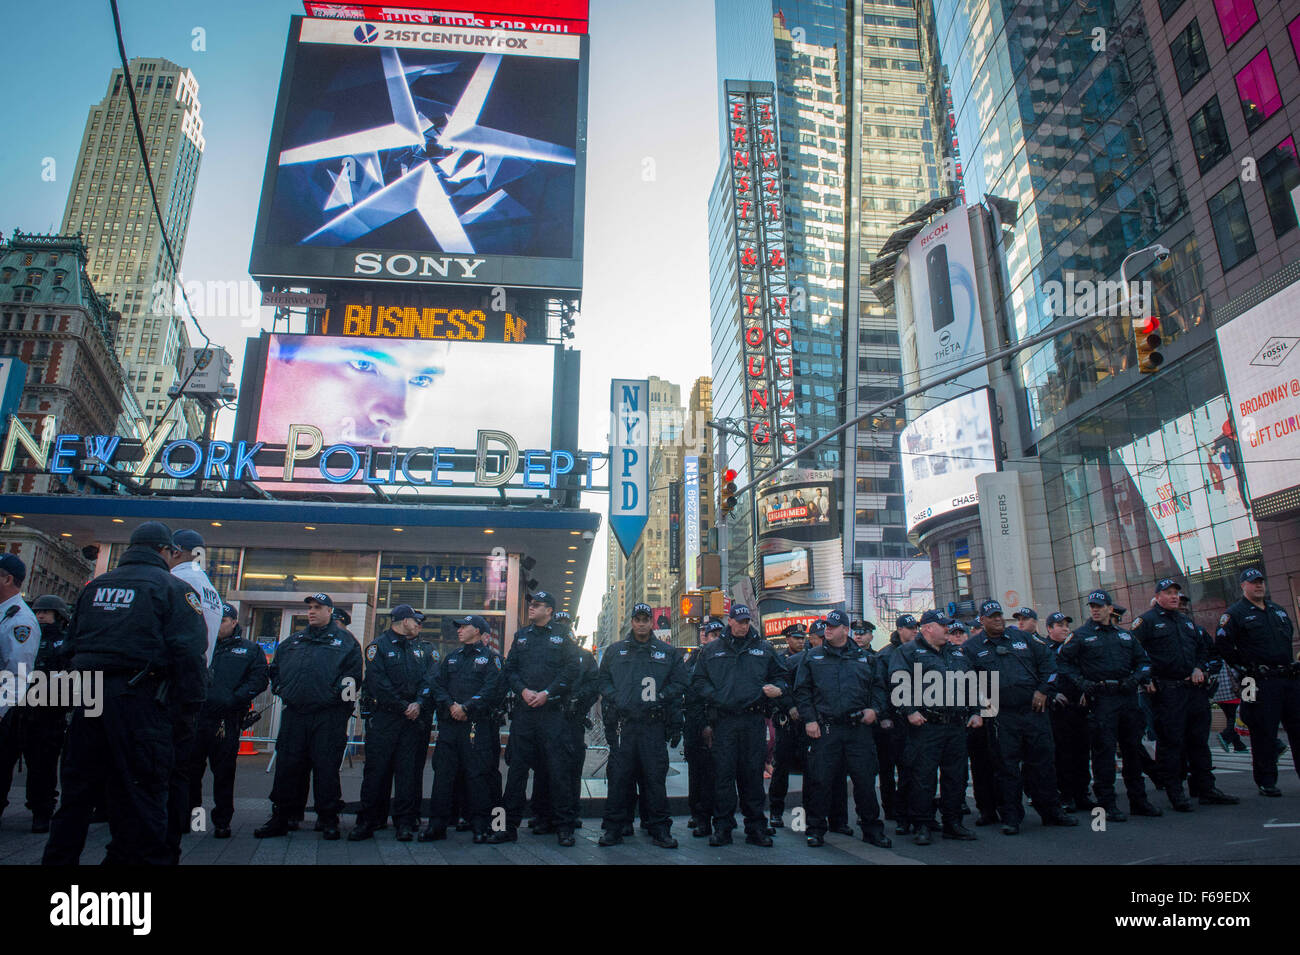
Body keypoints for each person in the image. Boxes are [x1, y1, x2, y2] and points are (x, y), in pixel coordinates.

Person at [42, 523, 208, 865]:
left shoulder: (94, 587)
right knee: (143, 797)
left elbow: (69, 646)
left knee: (75, 799)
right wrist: (187, 713)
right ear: (165, 551)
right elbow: (190, 654)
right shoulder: (173, 589)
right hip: (140, 703)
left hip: (88, 701)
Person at [255, 593, 363, 840]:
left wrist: (337, 709)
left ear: (330, 611)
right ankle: (282, 817)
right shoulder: (294, 641)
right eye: (310, 608)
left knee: (326, 770)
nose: (312, 611)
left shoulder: (346, 643)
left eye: (318, 607)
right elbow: (276, 671)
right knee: (288, 767)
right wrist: (282, 690)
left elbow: (352, 680)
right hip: (295, 715)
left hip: (328, 717)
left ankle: (328, 819)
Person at [964, 600, 1077, 834]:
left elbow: (1049, 664)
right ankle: (1012, 816)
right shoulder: (972, 648)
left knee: (1043, 763)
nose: (997, 619)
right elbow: (969, 683)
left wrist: (1044, 691)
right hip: (1000, 716)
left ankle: (1051, 811)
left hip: (1033, 711)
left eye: (999, 615)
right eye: (991, 616)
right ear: (982, 620)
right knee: (1006, 768)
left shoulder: (1024, 639)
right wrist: (981, 709)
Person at [1132, 579, 1238, 811]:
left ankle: (1205, 788)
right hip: (1167, 692)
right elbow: (1133, 653)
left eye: (1176, 593)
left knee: (1199, 741)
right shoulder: (1146, 622)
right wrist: (1145, 678)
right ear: (1158, 596)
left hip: (1193, 691)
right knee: (1171, 743)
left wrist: (1200, 667)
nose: (1174, 597)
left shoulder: (1187, 623)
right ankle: (1175, 792)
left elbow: (1203, 650)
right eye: (1168, 593)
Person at [1057, 590, 1163, 822]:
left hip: (1126, 696)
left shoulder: (1124, 636)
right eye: (1092, 606)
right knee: (1104, 753)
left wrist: (1136, 679)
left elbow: (1144, 662)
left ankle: (1138, 800)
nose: (1095, 610)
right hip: (1101, 698)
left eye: (1099, 606)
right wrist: (1082, 684)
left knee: (1132, 750)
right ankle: (1107, 803)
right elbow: (1063, 662)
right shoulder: (1081, 636)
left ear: (1109, 609)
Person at [689, 604, 787, 846]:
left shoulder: (764, 649)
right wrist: (716, 696)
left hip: (753, 720)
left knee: (753, 775)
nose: (743, 625)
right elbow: (698, 681)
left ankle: (756, 828)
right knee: (723, 776)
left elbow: (782, 676)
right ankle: (722, 827)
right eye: (739, 621)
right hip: (724, 721)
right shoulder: (712, 650)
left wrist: (778, 689)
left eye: (746, 622)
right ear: (730, 621)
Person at [795, 609, 892, 848]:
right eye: (826, 625)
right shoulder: (812, 657)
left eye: (833, 626)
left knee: (865, 781)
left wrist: (875, 710)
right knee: (820, 781)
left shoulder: (866, 658)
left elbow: (880, 689)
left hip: (858, 729)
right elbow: (802, 691)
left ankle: (871, 829)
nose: (827, 629)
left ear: (845, 630)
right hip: (826, 729)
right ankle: (816, 829)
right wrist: (809, 719)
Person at [491, 592, 581, 846]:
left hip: (552, 714)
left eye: (537, 605)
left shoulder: (563, 636)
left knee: (557, 771)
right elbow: (510, 670)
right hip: (525, 715)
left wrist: (548, 693)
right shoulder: (521, 636)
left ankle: (564, 827)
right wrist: (522, 690)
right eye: (531, 604)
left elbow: (572, 669)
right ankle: (507, 827)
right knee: (517, 772)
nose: (532, 607)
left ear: (549, 610)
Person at [598, 603, 688, 848]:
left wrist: (661, 697)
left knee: (654, 779)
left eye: (645, 619)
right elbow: (602, 679)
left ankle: (660, 828)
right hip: (623, 727)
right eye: (637, 619)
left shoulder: (667, 653)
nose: (641, 623)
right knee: (619, 779)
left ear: (651, 622)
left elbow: (680, 682)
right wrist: (615, 696)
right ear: (631, 622)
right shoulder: (615, 651)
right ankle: (613, 828)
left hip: (652, 726)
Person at [890, 610, 981, 845]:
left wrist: (976, 711)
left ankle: (953, 823)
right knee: (923, 777)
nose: (948, 629)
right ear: (928, 628)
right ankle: (923, 823)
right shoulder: (908, 652)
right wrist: (910, 711)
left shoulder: (956, 652)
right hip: (926, 725)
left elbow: (971, 682)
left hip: (956, 725)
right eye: (944, 625)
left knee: (956, 776)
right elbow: (898, 682)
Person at [351, 605, 435, 842]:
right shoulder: (378, 647)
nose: (418, 623)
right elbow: (378, 683)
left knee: (408, 773)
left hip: (413, 719)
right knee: (376, 771)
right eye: (414, 619)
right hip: (386, 718)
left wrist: (418, 703)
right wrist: (403, 706)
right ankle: (369, 820)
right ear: (403, 620)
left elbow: (430, 678)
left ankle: (405, 822)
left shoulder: (420, 647)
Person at [1215, 567, 1300, 797]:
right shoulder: (1235, 614)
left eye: (1261, 581)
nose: (1259, 585)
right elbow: (1223, 645)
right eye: (1253, 582)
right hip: (1258, 680)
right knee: (1263, 731)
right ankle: (1266, 781)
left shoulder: (1278, 611)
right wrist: (1243, 668)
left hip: (1288, 678)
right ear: (1243, 586)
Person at [421, 614, 505, 842]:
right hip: (450, 725)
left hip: (476, 726)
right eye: (458, 627)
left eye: (464, 626)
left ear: (477, 631)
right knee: (443, 775)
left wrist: (466, 707)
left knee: (476, 776)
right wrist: (451, 706)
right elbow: (436, 685)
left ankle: (480, 826)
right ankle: (436, 825)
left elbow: (492, 689)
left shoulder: (491, 659)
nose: (458, 630)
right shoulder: (451, 658)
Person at [188, 604, 269, 838]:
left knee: (223, 774)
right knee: (191, 774)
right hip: (196, 718)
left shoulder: (249, 650)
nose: (218, 624)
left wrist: (234, 699)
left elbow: (258, 680)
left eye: (223, 620)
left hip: (226, 721)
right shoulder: (202, 645)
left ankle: (222, 821)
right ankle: (195, 821)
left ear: (234, 622)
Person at [0, 574, 56, 832]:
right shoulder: (15, 618)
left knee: (40, 765)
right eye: (40, 611)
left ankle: (41, 810)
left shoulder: (60, 643)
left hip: (41, 710)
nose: (42, 616)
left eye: (48, 612)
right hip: (16, 706)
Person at [1042, 612, 1094, 813]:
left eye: (1066, 625)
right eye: (1059, 625)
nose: (1065, 628)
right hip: (1057, 710)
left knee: (1082, 751)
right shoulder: (1044, 650)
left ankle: (1082, 793)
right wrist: (1052, 694)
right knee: (1062, 754)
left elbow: (1085, 671)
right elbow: (1042, 676)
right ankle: (1066, 795)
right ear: (1049, 628)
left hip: (1078, 706)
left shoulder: (1075, 648)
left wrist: (1085, 691)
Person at [879, 613, 918, 831]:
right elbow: (881, 688)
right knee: (888, 768)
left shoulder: (918, 651)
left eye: (916, 628)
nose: (914, 631)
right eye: (910, 628)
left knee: (911, 767)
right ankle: (892, 808)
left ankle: (911, 809)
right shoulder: (885, 655)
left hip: (914, 719)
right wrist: (884, 716)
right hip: (892, 720)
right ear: (900, 629)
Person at [684, 620, 722, 836]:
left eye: (719, 634)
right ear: (704, 637)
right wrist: (703, 724)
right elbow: (691, 692)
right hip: (697, 725)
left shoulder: (726, 658)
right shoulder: (694, 660)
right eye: (711, 634)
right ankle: (698, 815)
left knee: (719, 774)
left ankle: (718, 815)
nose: (715, 638)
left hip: (722, 724)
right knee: (698, 774)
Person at [768, 622, 808, 829]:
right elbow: (776, 689)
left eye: (802, 638)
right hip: (786, 722)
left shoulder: (810, 658)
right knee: (781, 768)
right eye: (796, 638)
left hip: (806, 721)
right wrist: (789, 706)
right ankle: (776, 811)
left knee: (809, 769)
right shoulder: (780, 659)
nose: (800, 641)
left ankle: (805, 814)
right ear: (787, 639)